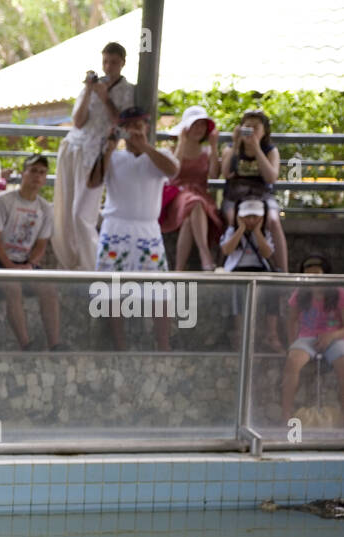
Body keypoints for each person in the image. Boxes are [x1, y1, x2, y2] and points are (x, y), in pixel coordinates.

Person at [88, 106, 180, 351]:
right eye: (130, 128)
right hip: (115, 228)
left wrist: (146, 147)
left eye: (140, 126)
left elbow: (173, 171)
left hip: (147, 231)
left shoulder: (158, 156)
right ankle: (119, 344)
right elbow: (93, 182)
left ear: (147, 128)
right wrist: (108, 147)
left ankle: (164, 345)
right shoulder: (114, 157)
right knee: (112, 288)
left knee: (159, 290)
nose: (135, 132)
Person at [51, 42, 135, 271]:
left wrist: (106, 97)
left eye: (114, 62)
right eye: (106, 62)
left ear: (123, 63)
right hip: (74, 147)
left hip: (98, 154)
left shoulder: (127, 90)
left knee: (83, 214)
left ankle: (91, 266)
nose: (109, 67)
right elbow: (77, 121)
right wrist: (89, 90)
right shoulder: (92, 87)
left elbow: (122, 122)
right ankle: (70, 260)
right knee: (66, 209)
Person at [0, 153, 63, 351]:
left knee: (49, 289)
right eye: (33, 171)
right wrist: (10, 266)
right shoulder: (3, 200)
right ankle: (26, 344)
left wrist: (31, 265)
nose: (37, 176)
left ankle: (55, 344)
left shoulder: (45, 208)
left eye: (42, 172)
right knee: (12, 286)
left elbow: (41, 244)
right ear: (23, 173)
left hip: (23, 261)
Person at [281, 254, 344, 426]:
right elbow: (291, 319)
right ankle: (286, 416)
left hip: (335, 338)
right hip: (307, 338)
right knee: (292, 362)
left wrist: (331, 336)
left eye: (318, 274)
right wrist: (292, 344)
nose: (314, 279)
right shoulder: (300, 294)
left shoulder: (339, 293)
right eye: (309, 275)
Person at [221, 109, 288, 273]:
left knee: (273, 221)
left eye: (256, 127)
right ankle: (231, 262)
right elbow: (227, 173)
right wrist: (236, 144)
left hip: (262, 195)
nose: (251, 130)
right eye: (247, 126)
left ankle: (283, 269)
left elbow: (271, 177)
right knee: (234, 221)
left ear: (264, 131)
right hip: (235, 195)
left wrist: (257, 149)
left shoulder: (270, 150)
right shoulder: (230, 148)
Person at [159, 104, 221, 272]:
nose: (199, 129)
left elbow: (214, 175)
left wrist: (215, 147)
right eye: (195, 124)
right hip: (178, 195)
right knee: (194, 203)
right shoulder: (173, 149)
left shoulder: (207, 150)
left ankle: (179, 268)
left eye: (202, 125)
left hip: (200, 195)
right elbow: (173, 173)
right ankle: (205, 255)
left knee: (191, 214)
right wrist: (182, 142)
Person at [219, 198, 280, 352]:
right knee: (238, 291)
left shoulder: (265, 233)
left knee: (273, 292)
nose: (251, 221)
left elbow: (267, 253)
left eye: (255, 217)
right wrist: (240, 230)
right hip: (237, 270)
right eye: (247, 217)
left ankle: (271, 334)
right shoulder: (231, 232)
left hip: (260, 269)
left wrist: (258, 233)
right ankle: (240, 334)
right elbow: (226, 250)